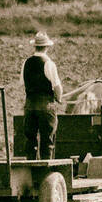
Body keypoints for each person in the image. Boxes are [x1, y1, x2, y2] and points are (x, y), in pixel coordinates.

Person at [22, 31, 64, 159]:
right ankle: (46, 169)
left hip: (29, 106)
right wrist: (59, 98)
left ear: (35, 46)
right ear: (47, 47)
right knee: (47, 140)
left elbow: (23, 83)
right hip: (46, 106)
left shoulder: (26, 63)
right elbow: (57, 87)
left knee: (31, 139)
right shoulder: (49, 63)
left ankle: (31, 166)